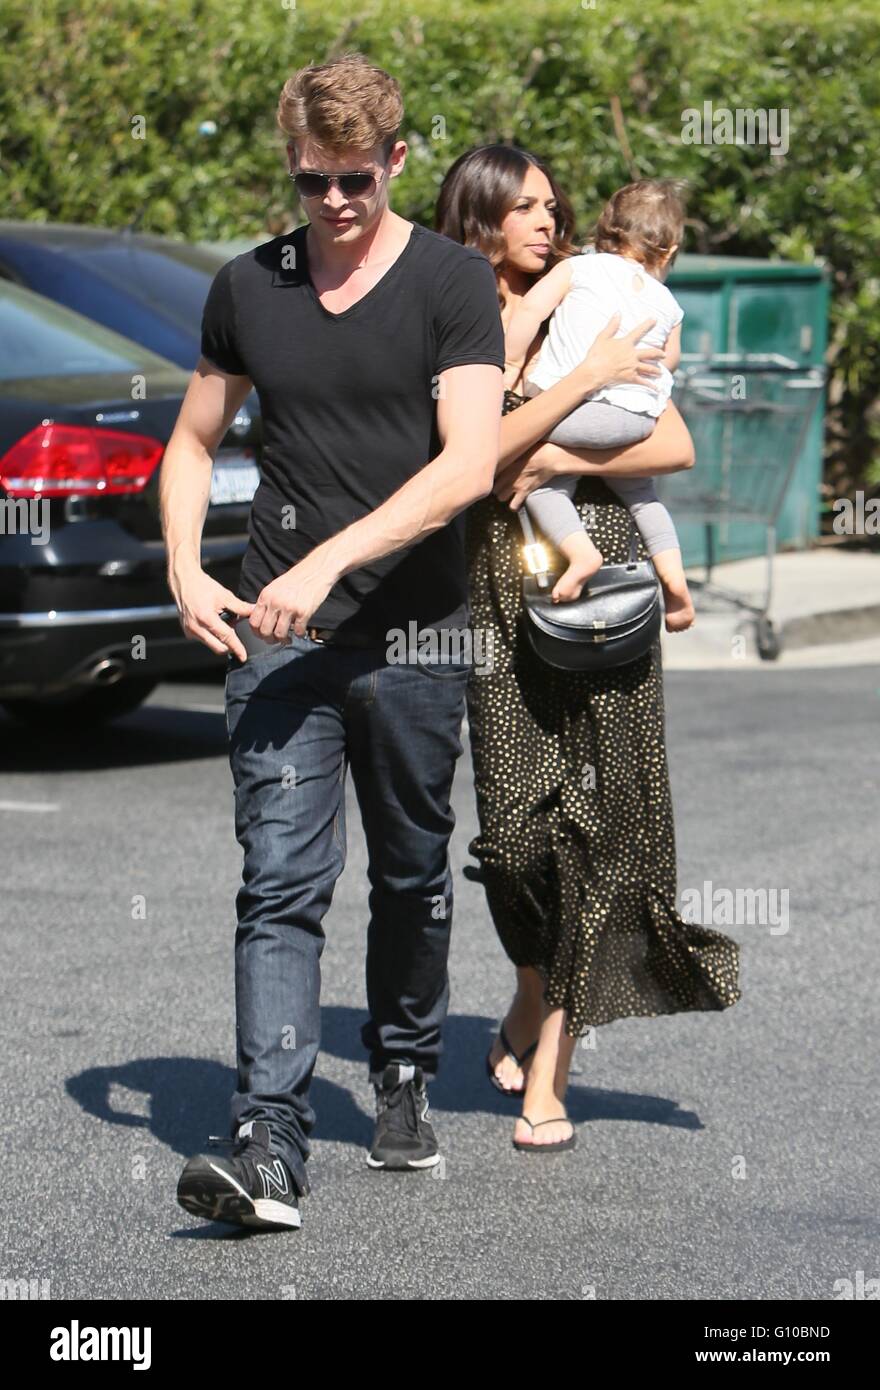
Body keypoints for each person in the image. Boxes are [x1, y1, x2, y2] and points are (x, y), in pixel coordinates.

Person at [161, 53, 506, 1230]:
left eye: (356, 178)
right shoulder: (246, 289)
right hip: (275, 638)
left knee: (411, 870)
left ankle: (404, 1061)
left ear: (396, 160)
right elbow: (194, 441)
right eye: (314, 182)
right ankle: (270, 1141)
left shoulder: (453, 284)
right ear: (292, 171)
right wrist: (179, 563)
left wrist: (330, 560)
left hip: (416, 638)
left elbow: (467, 463)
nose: (337, 203)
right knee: (280, 885)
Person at [435, 145, 741, 1152]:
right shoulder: (458, 316)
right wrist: (588, 385)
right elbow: (473, 460)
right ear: (476, 218)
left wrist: (566, 433)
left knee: (602, 826)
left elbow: (674, 444)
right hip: (501, 581)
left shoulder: (599, 296)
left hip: (604, 573)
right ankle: (532, 989)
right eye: (520, 207)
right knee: (515, 834)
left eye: (549, 205)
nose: (543, 219)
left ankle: (550, 1071)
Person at [503, 179, 695, 629]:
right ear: (667, 254)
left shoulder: (580, 269)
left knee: (543, 478)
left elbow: (531, 311)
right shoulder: (668, 301)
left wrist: (511, 362)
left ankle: (580, 554)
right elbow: (669, 359)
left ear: (604, 230)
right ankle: (674, 580)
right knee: (643, 494)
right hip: (637, 418)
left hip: (583, 408)